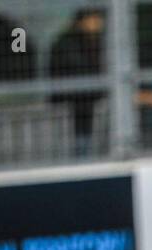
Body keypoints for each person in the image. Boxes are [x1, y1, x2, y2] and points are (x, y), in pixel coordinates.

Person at [49, 7, 105, 156]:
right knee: (78, 147)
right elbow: (82, 75)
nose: (99, 23)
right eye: (94, 19)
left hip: (87, 107)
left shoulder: (98, 42)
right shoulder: (68, 44)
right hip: (70, 107)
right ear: (82, 22)